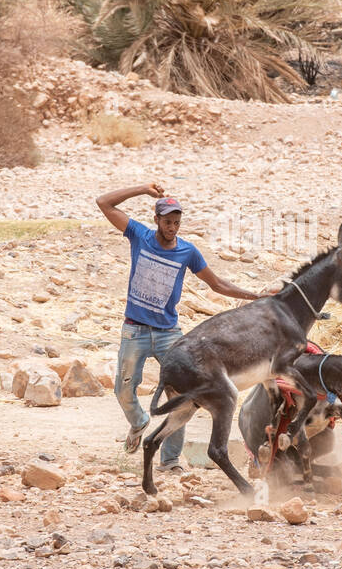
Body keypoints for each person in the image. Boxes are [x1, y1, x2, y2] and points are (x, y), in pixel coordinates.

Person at [97, 183, 265, 473]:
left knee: (180, 399)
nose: (172, 227)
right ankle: (139, 423)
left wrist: (255, 298)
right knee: (123, 391)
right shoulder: (139, 236)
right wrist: (143, 189)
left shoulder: (187, 251)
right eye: (167, 222)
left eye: (176, 223)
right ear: (156, 221)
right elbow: (104, 203)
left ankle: (170, 461)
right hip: (134, 330)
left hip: (169, 335)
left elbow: (217, 284)